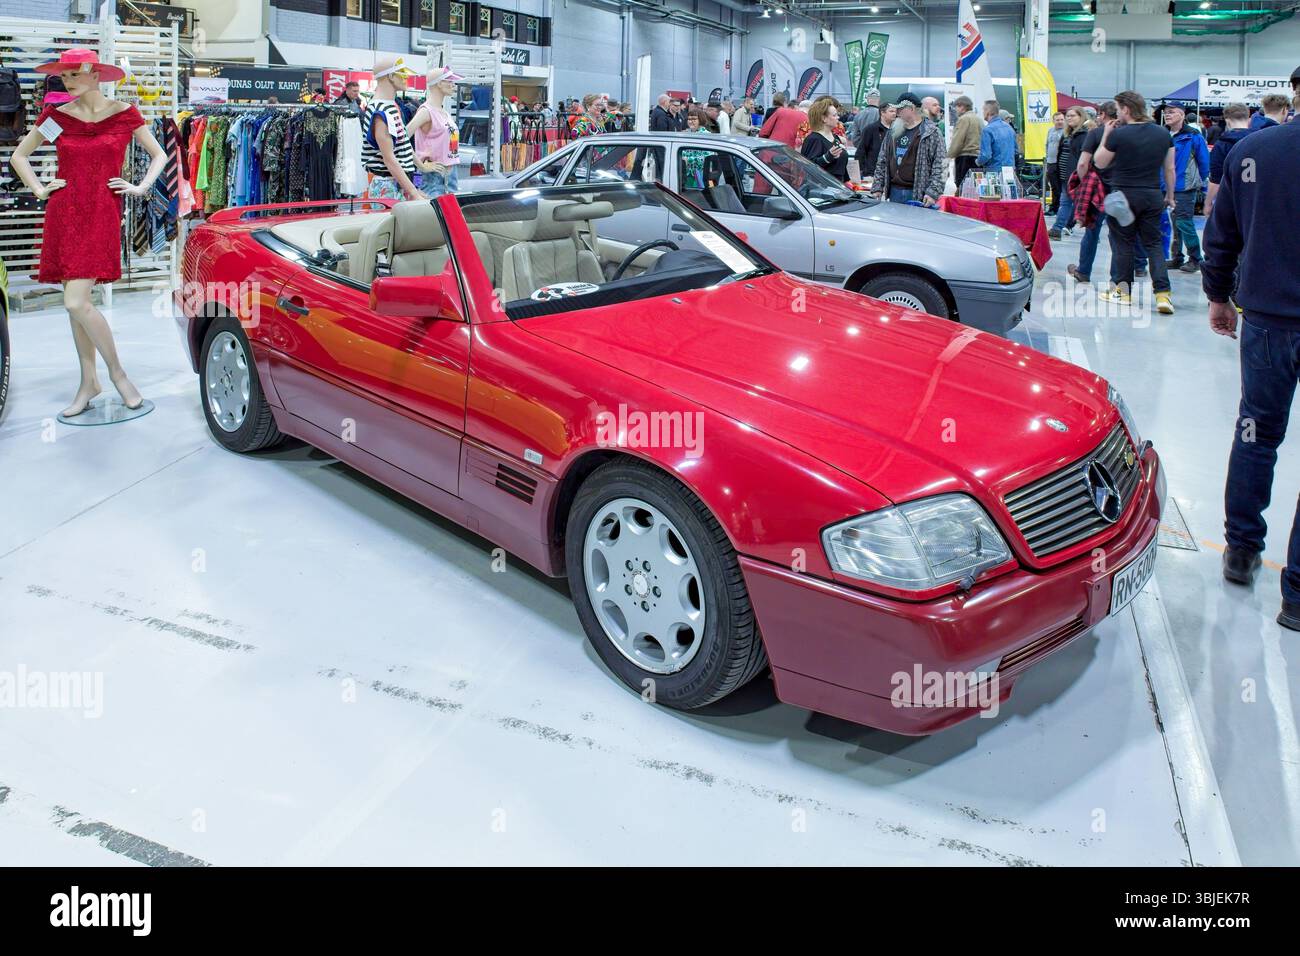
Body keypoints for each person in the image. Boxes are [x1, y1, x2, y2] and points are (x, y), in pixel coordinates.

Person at [8, 48, 165, 417]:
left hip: (101, 213)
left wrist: (141, 186)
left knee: (76, 302)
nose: (67, 82)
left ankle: (117, 374)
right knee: (76, 304)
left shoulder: (125, 115)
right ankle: (89, 381)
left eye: (73, 75)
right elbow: (19, 156)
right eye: (64, 77)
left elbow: (159, 154)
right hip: (65, 213)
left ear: (95, 74)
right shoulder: (56, 117)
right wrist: (40, 188)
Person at [1201, 109, 1300, 631]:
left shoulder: (1253, 152)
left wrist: (1219, 295)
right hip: (1267, 314)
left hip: (1266, 318)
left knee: (1256, 433)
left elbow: (1222, 234)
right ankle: (1298, 595)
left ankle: (1241, 549)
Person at [1092, 90, 1176, 313]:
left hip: (1123, 196)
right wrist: (1170, 195)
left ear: (1126, 109)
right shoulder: (1163, 134)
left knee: (1123, 243)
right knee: (1154, 244)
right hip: (1152, 195)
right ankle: (1163, 294)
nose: (1117, 113)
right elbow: (1170, 168)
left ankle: (1122, 291)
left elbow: (1099, 162)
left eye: (1119, 109)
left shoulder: (1119, 134)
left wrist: (1106, 135)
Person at [1067, 100, 1118, 284]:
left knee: (1092, 231)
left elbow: (1082, 163)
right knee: (1119, 236)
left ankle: (1084, 271)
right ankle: (1118, 278)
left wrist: (1083, 182)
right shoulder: (1127, 133)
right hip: (1121, 189)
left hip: (1097, 189)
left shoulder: (1095, 133)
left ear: (1102, 114)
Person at [361, 55, 421, 201]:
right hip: (387, 185)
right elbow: (389, 159)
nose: (406, 77)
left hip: (395, 182)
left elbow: (403, 145)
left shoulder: (390, 106)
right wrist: (414, 193)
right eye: (402, 74)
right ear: (391, 76)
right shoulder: (380, 110)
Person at [869, 92, 945, 205]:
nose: (897, 112)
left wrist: (933, 192)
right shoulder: (893, 131)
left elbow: (941, 164)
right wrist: (877, 187)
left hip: (919, 194)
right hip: (894, 192)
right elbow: (882, 160)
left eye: (900, 109)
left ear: (911, 108)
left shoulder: (931, 132)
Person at [1162, 103, 1210, 272]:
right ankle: (1177, 257)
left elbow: (1204, 163)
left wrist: (1198, 182)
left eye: (1171, 112)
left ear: (1182, 115)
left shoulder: (1193, 136)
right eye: (1166, 112)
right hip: (1166, 185)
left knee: (1184, 223)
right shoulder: (1164, 134)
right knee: (1175, 223)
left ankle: (1196, 258)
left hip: (1184, 186)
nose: (1167, 115)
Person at [407, 65, 462, 198]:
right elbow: (402, 138)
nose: (453, 85)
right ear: (439, 83)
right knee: (434, 217)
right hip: (433, 178)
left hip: (451, 174)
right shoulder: (426, 111)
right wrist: (422, 165)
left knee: (448, 217)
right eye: (449, 81)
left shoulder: (444, 113)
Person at [1049, 107, 1092, 238]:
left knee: (1068, 202)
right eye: (1067, 116)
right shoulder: (1067, 134)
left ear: (1081, 117)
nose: (1069, 118)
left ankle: (1059, 228)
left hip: (1074, 175)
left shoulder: (1084, 135)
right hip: (1063, 175)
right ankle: (1066, 225)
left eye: (1072, 116)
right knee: (1069, 202)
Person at [1206, 102, 1252, 217]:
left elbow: (1215, 179)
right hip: (1255, 198)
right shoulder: (1261, 140)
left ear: (1226, 119)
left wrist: (1207, 204)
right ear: (1248, 117)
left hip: (1228, 198)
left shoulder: (1222, 144)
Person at [800, 97, 849, 182]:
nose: (838, 117)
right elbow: (809, 167)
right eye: (834, 115)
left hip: (838, 188)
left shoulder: (836, 138)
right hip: (822, 190)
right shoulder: (814, 139)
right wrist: (827, 157)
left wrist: (847, 183)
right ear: (824, 118)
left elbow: (841, 168)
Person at [947, 94, 982, 190]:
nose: (956, 110)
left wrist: (948, 156)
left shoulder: (963, 119)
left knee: (963, 189)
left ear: (962, 106)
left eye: (957, 107)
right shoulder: (979, 119)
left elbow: (958, 141)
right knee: (975, 189)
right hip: (978, 159)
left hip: (965, 159)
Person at [856, 103, 896, 186]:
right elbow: (861, 151)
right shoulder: (871, 129)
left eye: (895, 111)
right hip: (872, 174)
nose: (894, 113)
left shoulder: (896, 129)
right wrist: (860, 172)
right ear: (882, 112)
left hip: (891, 174)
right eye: (891, 111)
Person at [976, 99, 1016, 172]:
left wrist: (978, 162)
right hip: (1010, 172)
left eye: (983, 110)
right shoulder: (1009, 128)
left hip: (994, 173)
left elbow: (986, 155)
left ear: (987, 112)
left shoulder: (987, 130)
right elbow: (1015, 150)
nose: (982, 113)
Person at [1044, 111, 1066, 214]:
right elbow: (1047, 145)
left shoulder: (1066, 131)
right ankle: (1054, 207)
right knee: (1053, 186)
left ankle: (1057, 208)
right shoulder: (1050, 131)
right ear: (1053, 121)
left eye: (1062, 119)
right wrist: (1048, 157)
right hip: (1051, 162)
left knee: (1059, 187)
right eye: (1058, 120)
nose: (1060, 122)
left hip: (1061, 163)